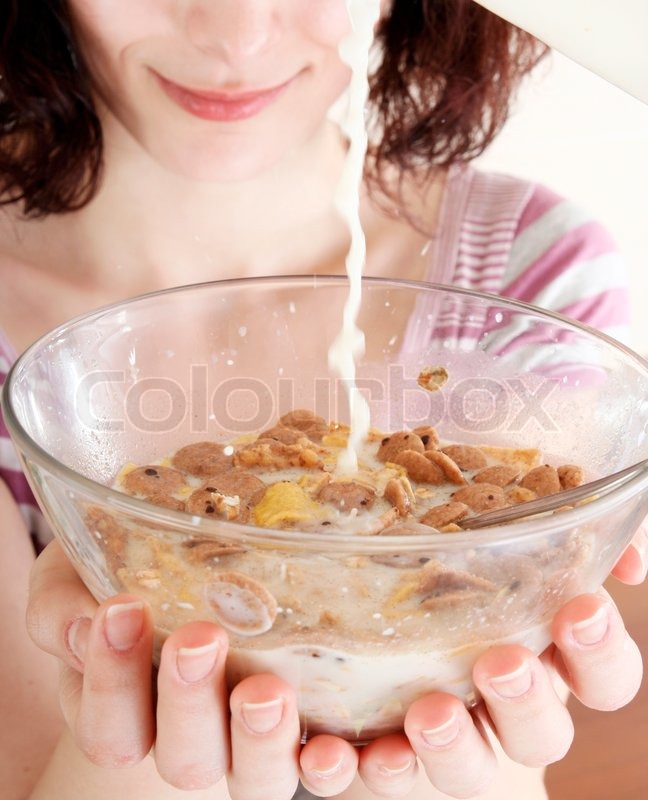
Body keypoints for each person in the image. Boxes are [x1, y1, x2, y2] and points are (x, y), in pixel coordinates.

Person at [0, 2, 645, 799]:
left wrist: (443, 768)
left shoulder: (531, 276)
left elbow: (496, 746)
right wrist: (134, 728)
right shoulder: (40, 396)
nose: (236, 38)